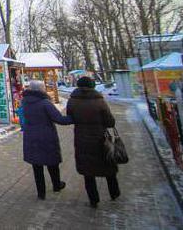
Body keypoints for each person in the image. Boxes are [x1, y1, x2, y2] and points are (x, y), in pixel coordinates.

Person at [67, 76, 120, 208]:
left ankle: (93, 199)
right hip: (100, 138)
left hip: (82, 139)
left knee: (87, 170)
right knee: (108, 164)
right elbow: (110, 122)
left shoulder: (73, 101)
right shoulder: (99, 101)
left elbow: (70, 117)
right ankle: (114, 192)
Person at [22, 80, 73, 200]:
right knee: (52, 162)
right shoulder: (45, 103)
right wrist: (74, 118)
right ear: (41, 89)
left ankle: (41, 193)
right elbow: (59, 119)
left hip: (31, 136)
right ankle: (56, 185)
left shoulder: (25, 101)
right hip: (46, 136)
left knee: (37, 165)